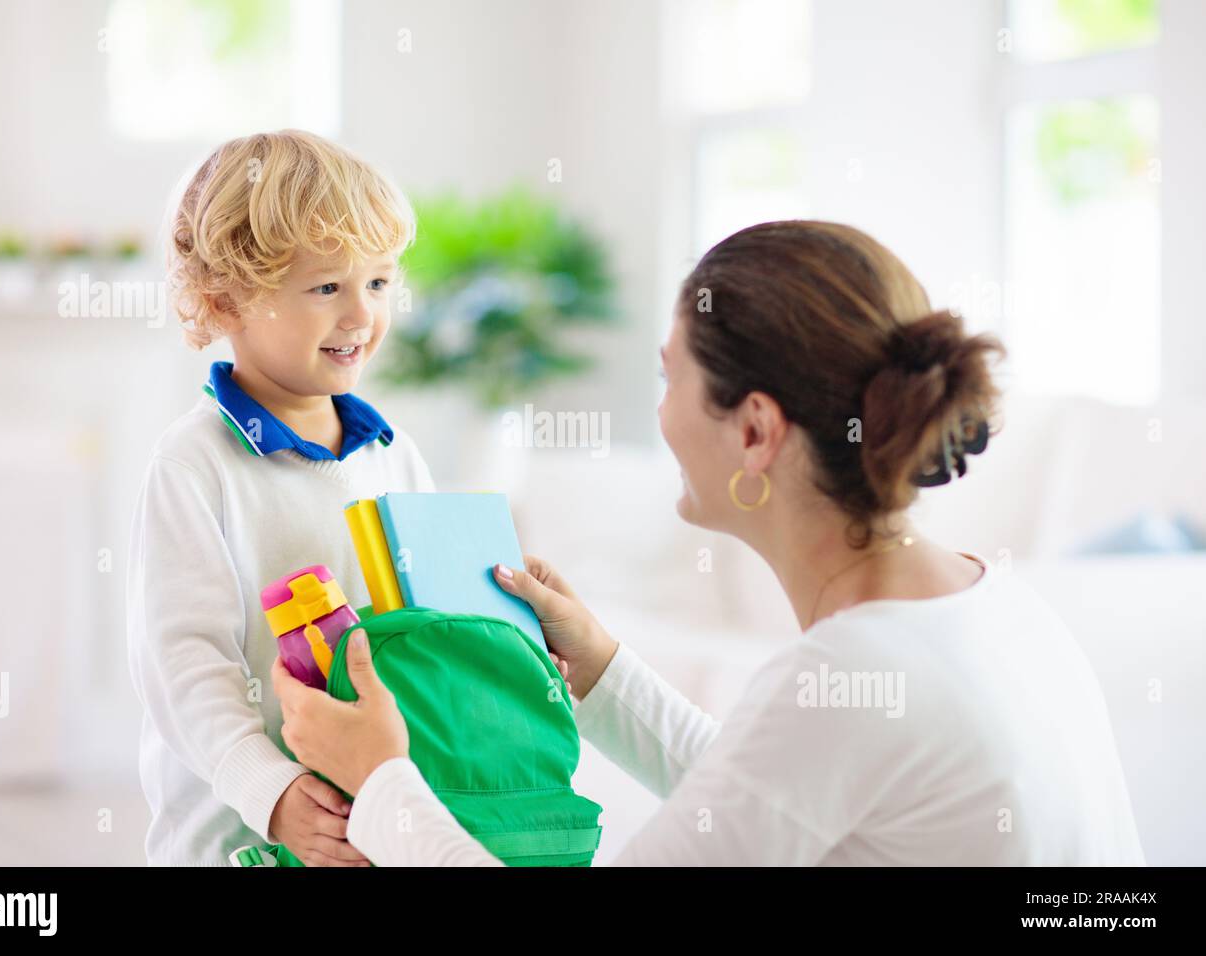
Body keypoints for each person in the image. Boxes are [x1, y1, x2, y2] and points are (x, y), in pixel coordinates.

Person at [274, 220, 1145, 866]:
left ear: (756, 430)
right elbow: (768, 805)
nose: (659, 415)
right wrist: (607, 673)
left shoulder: (843, 678)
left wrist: (382, 779)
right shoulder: (992, 608)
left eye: (669, 378)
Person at [127, 130, 434, 866]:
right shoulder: (194, 464)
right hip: (238, 841)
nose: (361, 315)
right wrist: (270, 790)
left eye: (380, 282)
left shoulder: (395, 456)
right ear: (224, 299)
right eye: (327, 286)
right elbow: (184, 661)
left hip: (371, 827)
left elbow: (430, 628)